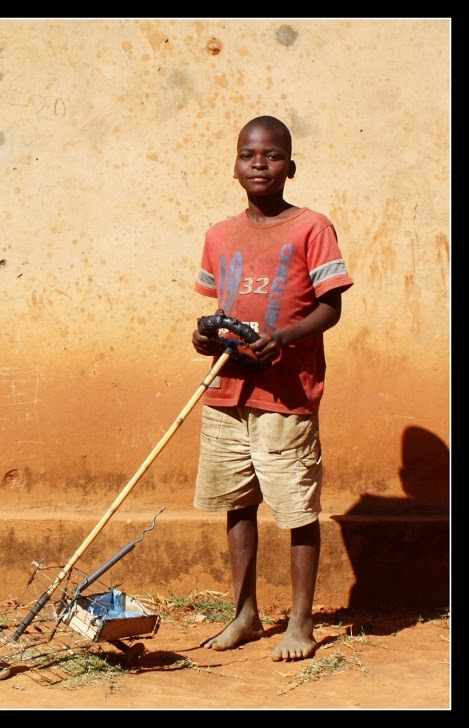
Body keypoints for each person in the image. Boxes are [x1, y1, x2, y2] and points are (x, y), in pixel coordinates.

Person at [190, 115, 354, 662]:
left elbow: (331, 307)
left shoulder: (312, 228)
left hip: (286, 395)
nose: (259, 163)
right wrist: (206, 338)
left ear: (290, 166)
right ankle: (245, 615)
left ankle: (301, 624)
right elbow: (217, 309)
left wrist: (283, 338)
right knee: (238, 505)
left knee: (295, 507)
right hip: (227, 392)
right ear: (235, 166)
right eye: (247, 155)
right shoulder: (219, 235)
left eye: (272, 155)